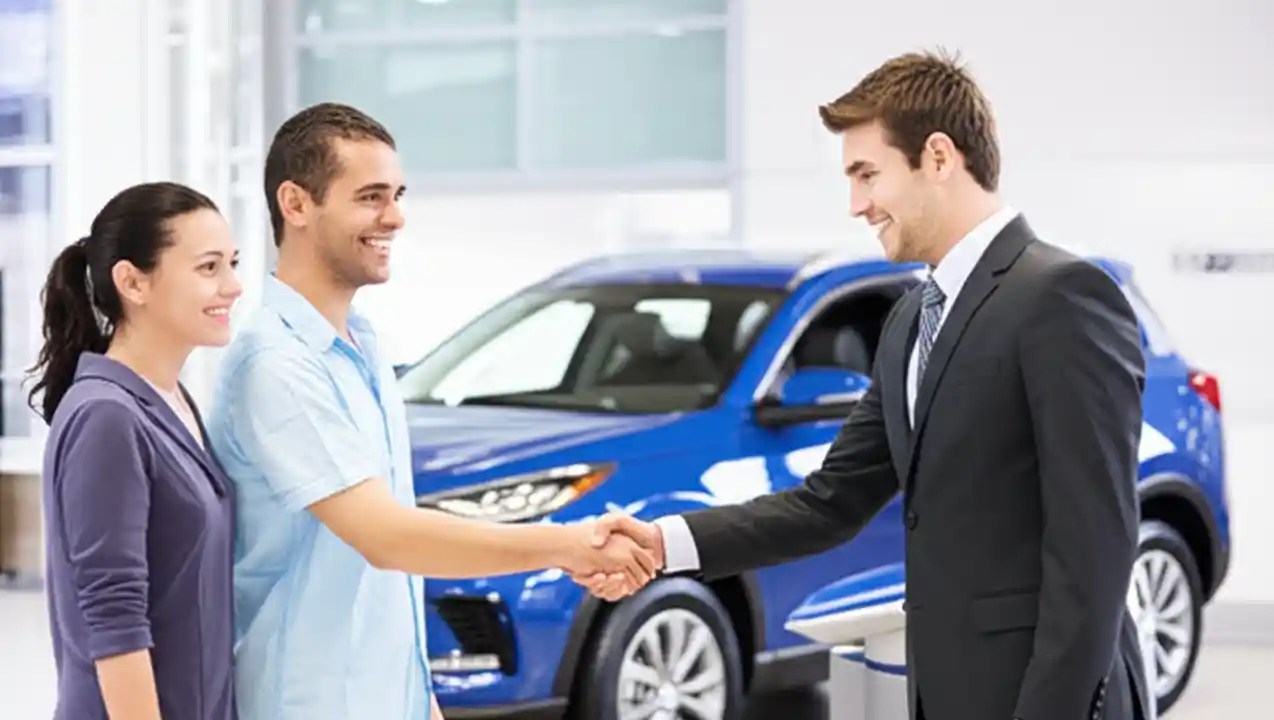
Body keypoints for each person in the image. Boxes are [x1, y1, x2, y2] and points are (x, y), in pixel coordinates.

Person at [581, 50, 1154, 720]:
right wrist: (663, 544)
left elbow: (1094, 551)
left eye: (867, 174)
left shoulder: (1061, 296)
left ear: (938, 157)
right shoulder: (911, 319)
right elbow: (829, 503)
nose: (856, 205)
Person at [204, 102, 657, 720]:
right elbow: (386, 538)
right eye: (370, 197)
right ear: (296, 204)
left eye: (397, 194)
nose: (395, 216)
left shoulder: (360, 345)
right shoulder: (276, 364)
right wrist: (568, 546)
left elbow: (384, 581)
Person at [28, 181, 243, 719]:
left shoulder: (173, 402)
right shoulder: (107, 416)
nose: (233, 286)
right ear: (133, 282)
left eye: (232, 264)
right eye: (209, 267)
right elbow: (114, 619)